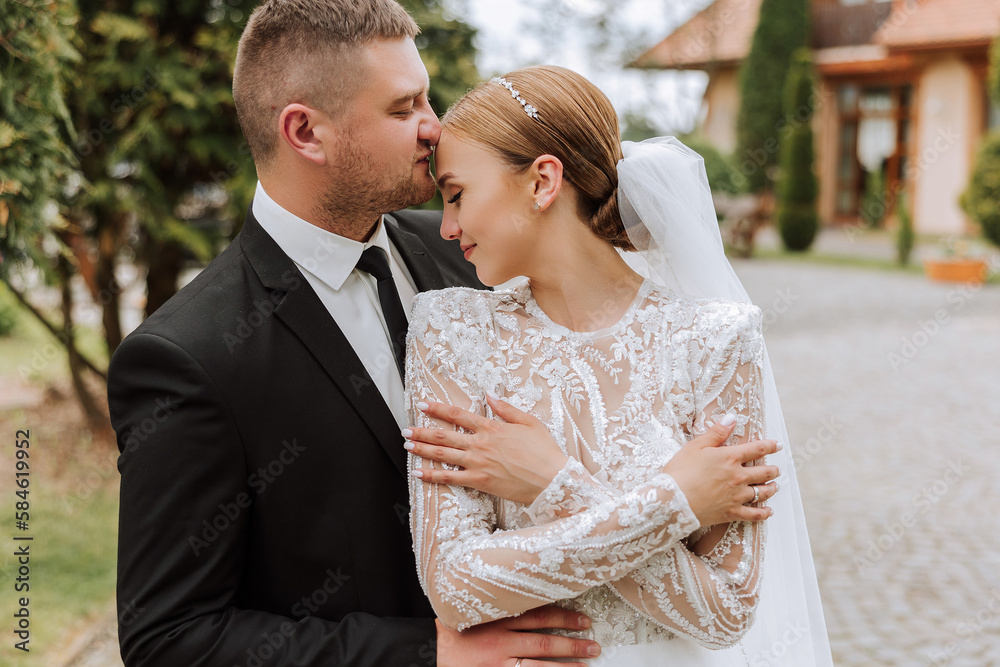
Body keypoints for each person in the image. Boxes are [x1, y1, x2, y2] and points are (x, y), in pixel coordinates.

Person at [107, 2, 608, 665]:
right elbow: (170, 639)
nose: (436, 128)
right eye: (404, 110)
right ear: (306, 132)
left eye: (427, 99)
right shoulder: (188, 356)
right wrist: (424, 652)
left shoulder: (474, 254)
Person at [403, 66, 833, 666]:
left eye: (456, 195)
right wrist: (675, 500)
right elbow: (452, 586)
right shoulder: (451, 333)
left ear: (542, 181)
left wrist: (553, 485)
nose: (447, 227)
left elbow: (727, 613)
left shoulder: (716, 340)